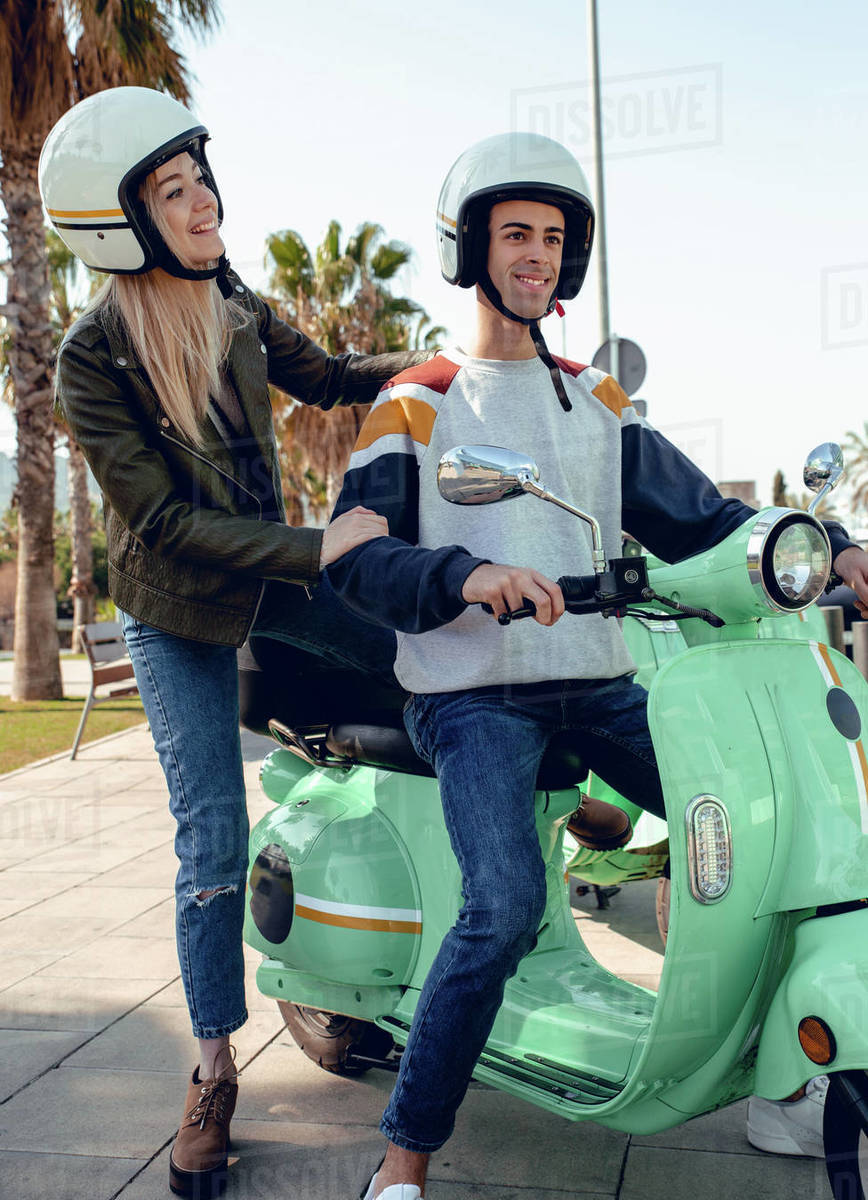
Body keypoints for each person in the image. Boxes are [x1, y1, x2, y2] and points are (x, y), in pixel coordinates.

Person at [325, 131, 868, 1199]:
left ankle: (789, 1079)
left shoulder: (595, 400)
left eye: (554, 239)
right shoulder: (421, 397)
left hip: (597, 677)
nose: (536, 254)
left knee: (766, 833)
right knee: (502, 905)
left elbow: (701, 514)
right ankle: (402, 1162)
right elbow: (350, 551)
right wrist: (463, 578)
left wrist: (827, 548)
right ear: (471, 248)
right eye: (515, 233)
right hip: (473, 697)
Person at [39, 85, 434, 1200]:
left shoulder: (232, 298)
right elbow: (160, 523)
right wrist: (316, 546)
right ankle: (213, 1065)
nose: (204, 198)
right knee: (211, 838)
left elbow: (324, 378)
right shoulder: (92, 354)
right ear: (122, 221)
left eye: (200, 173)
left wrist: (436, 365)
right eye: (173, 188)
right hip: (177, 612)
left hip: (272, 580)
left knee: (432, 668)